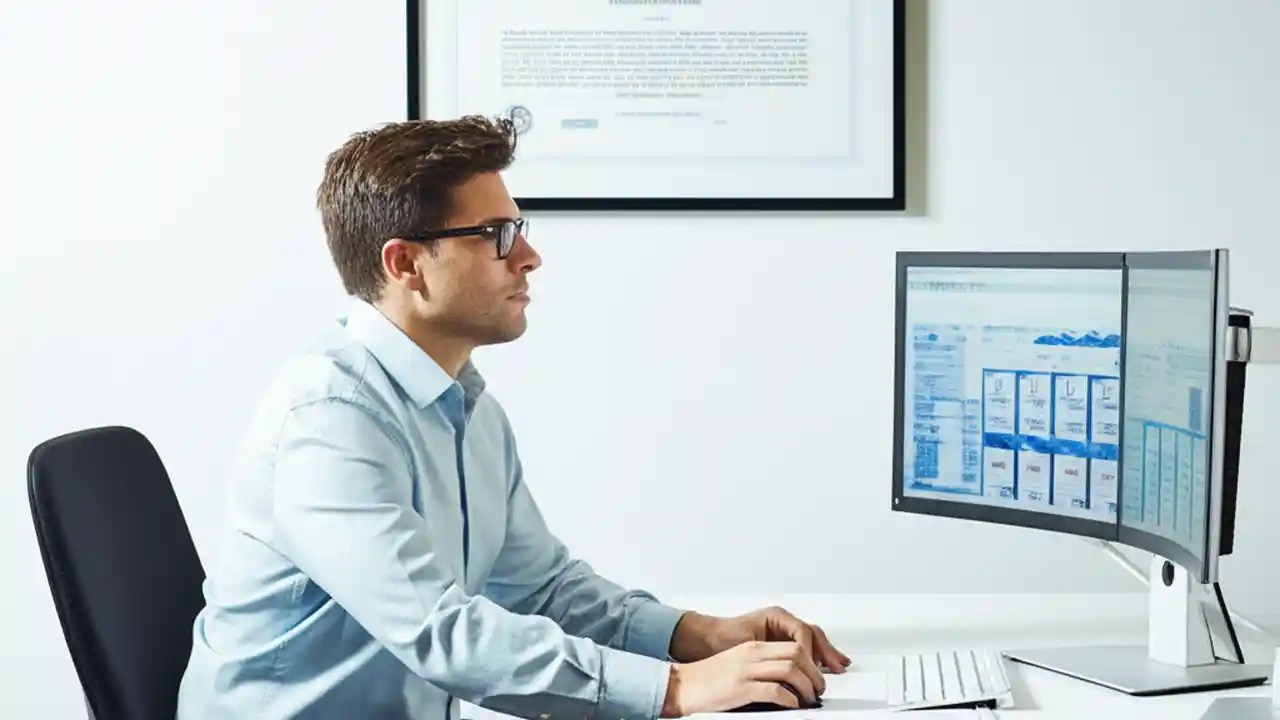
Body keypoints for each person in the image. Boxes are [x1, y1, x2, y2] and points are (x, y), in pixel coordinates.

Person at [176, 115, 851, 720]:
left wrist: (700, 634)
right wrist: (674, 689)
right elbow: (441, 633)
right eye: (497, 235)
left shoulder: (465, 406)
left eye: (519, 229)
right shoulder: (329, 420)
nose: (529, 256)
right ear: (406, 263)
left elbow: (542, 588)